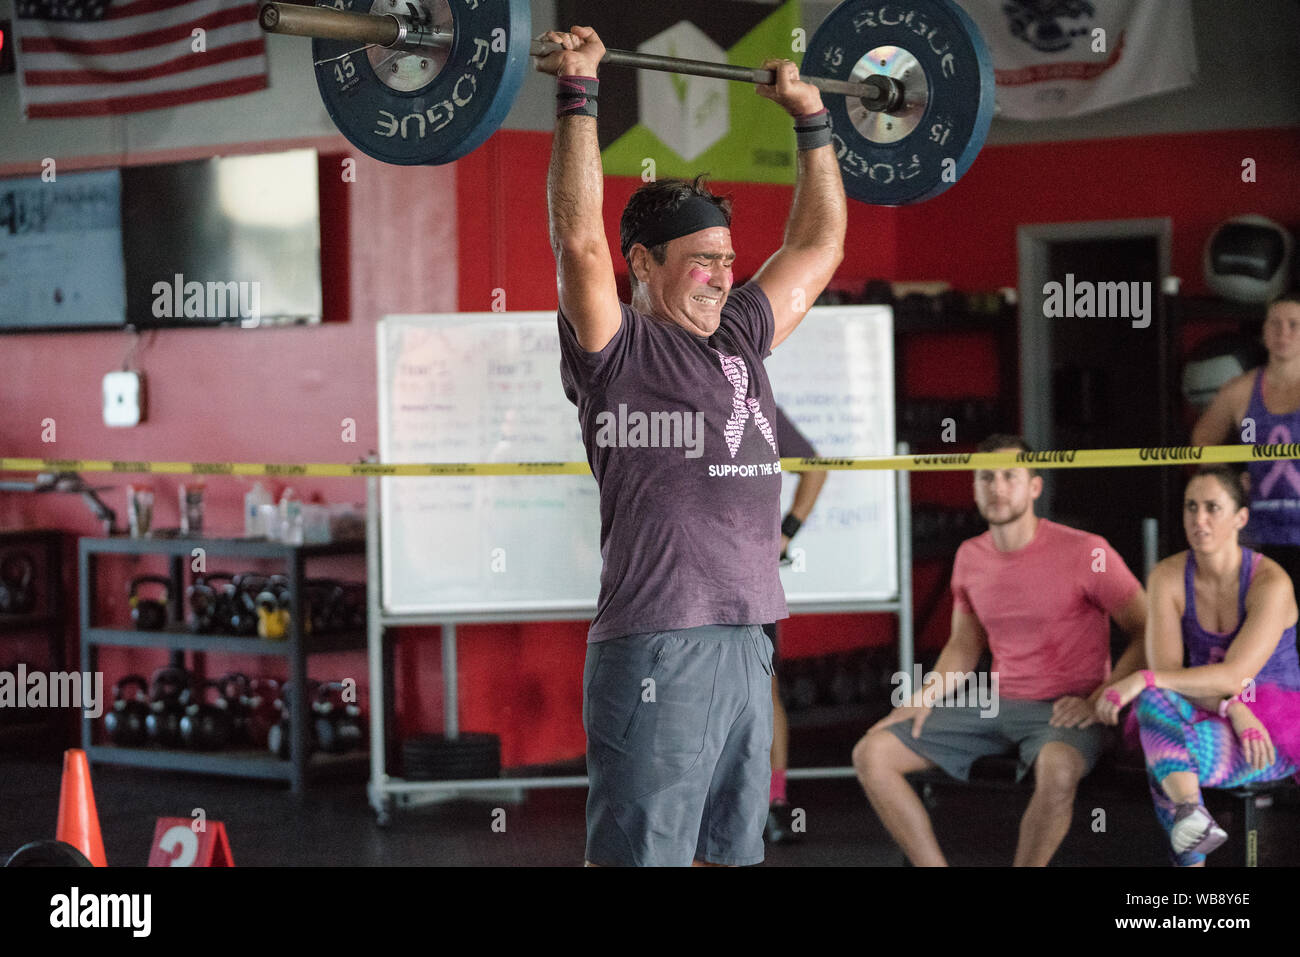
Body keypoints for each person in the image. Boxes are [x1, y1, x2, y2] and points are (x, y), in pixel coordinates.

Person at [537, 25, 846, 866]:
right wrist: (578, 92)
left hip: (748, 638)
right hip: (656, 644)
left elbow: (817, 251)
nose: (723, 274)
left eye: (728, 259)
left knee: (731, 853)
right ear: (643, 263)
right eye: (702, 260)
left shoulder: (742, 331)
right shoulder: (618, 349)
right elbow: (577, 242)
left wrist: (812, 120)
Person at [851, 434, 1147, 866]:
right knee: (871, 753)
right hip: (997, 706)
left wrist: (1102, 697)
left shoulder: (1087, 551)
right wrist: (923, 698)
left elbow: (1146, 630)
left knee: (1058, 770)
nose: (997, 487)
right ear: (974, 486)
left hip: (1068, 709)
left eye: (1010, 476)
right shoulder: (970, 556)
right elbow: (964, 644)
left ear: (1034, 487)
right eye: (986, 477)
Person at [1095, 466, 1300, 865]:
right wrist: (1231, 706)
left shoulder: (1271, 583)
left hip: (1272, 727)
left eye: (1212, 508)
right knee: (1154, 708)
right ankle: (1192, 814)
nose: (1198, 519)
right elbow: (1171, 681)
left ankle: (1190, 852)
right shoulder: (1169, 576)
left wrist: (1144, 676)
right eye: (1191, 507)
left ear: (1240, 518)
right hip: (1215, 710)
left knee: (1167, 758)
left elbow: (1235, 675)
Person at [1192, 291, 1300, 591]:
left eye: (1294, 324)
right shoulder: (1240, 390)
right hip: (1258, 530)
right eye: (1275, 324)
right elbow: (1203, 440)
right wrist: (1230, 484)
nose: (1283, 333)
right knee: (1261, 622)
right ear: (1264, 331)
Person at [763, 405, 828, 844]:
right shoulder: (661, 401)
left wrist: (785, 533)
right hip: (677, 573)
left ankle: (774, 802)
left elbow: (815, 470)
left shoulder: (751, 400)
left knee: (762, 688)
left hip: (747, 574)